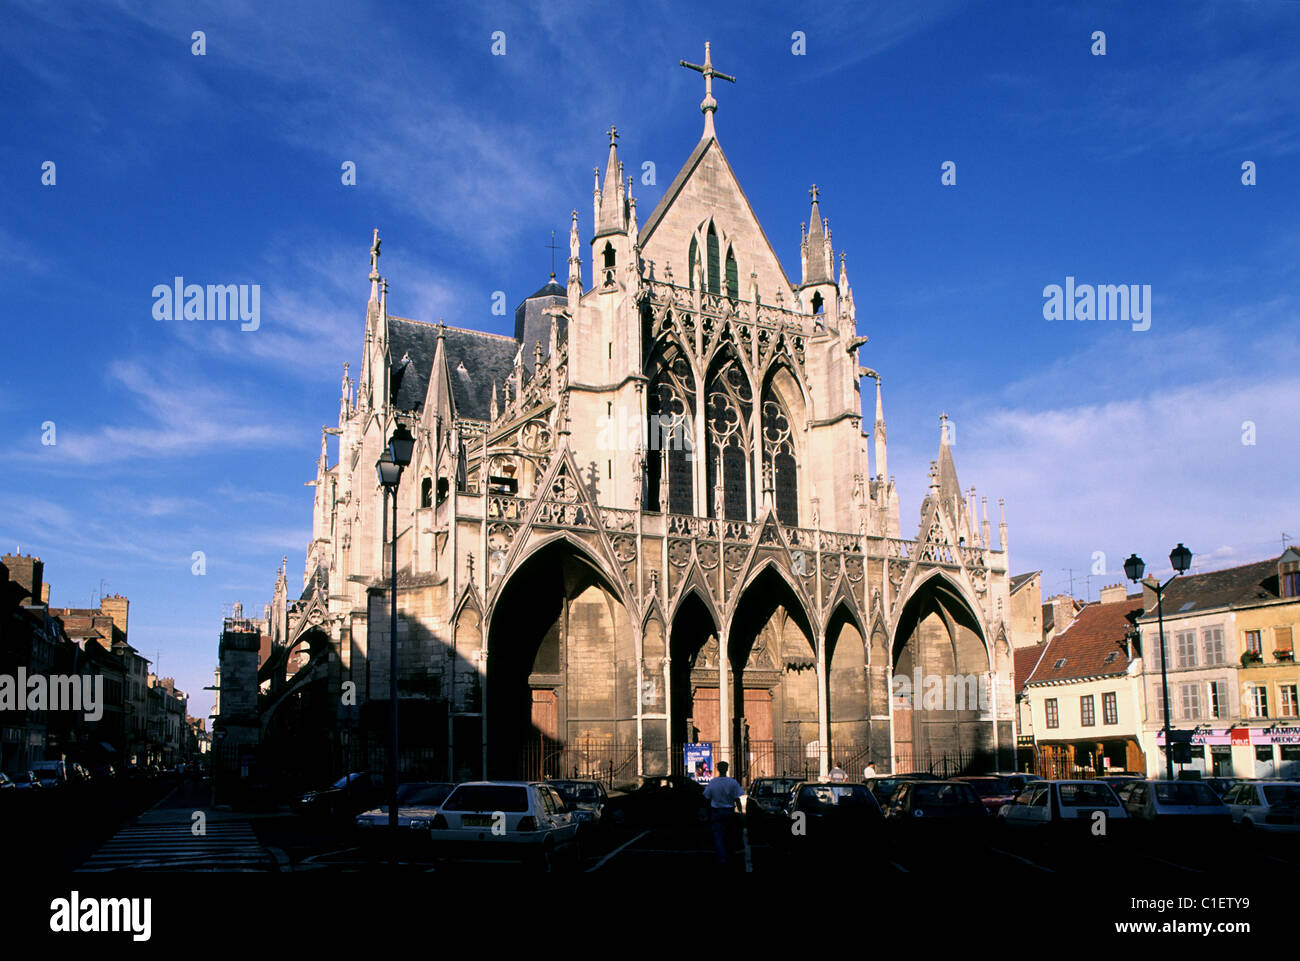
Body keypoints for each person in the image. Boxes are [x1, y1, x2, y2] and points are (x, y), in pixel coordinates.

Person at [703, 761, 743, 865]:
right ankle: (730, 854)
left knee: (718, 835)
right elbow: (737, 799)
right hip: (729, 811)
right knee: (730, 834)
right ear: (727, 769)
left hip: (716, 811)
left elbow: (706, 797)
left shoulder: (713, 782)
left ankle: (721, 858)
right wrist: (741, 812)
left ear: (717, 769)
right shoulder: (732, 782)